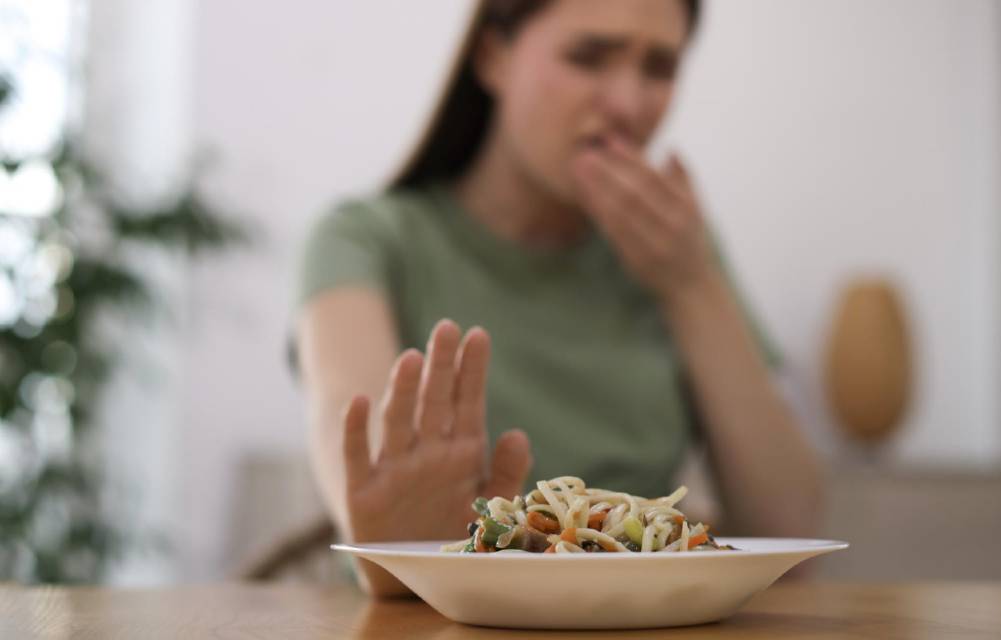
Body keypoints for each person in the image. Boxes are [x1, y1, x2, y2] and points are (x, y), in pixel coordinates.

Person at [294, 0, 823, 597]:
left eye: (659, 67)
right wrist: (402, 545)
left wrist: (692, 286)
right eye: (587, 56)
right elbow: (355, 458)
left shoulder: (677, 250)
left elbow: (791, 533)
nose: (627, 104)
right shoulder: (363, 242)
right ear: (493, 55)